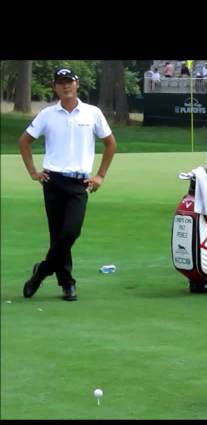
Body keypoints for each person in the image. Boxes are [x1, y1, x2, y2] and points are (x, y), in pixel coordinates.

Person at [18, 67, 117, 301]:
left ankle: (41, 272)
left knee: (71, 231)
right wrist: (33, 172)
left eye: (69, 82)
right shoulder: (47, 115)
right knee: (58, 235)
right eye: (61, 83)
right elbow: (24, 142)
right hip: (53, 181)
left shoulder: (92, 113)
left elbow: (110, 143)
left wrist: (100, 175)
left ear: (77, 84)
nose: (66, 86)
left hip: (79, 183)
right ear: (55, 87)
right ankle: (67, 283)